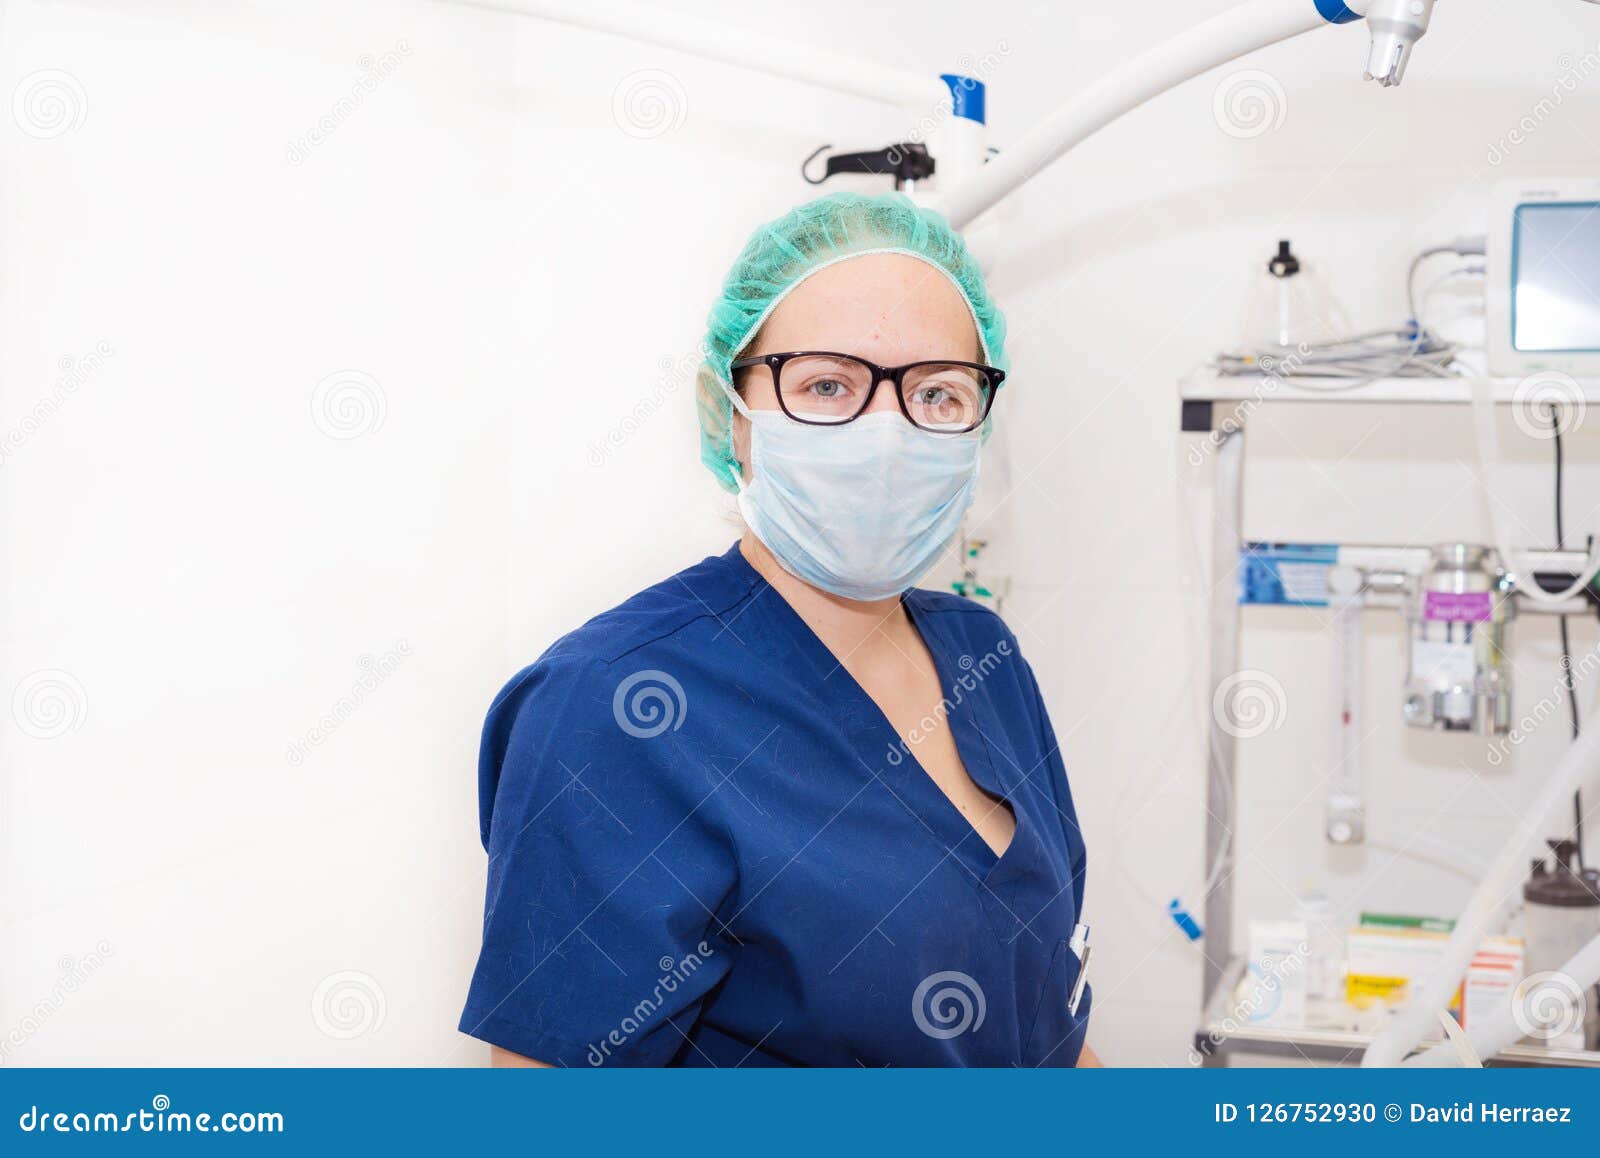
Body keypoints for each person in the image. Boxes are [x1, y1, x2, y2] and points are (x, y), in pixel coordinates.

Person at [459, 192, 1096, 1067]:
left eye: (938, 393)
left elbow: (1056, 1036)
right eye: (827, 385)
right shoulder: (612, 706)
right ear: (733, 414)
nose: (887, 436)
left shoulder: (984, 656)